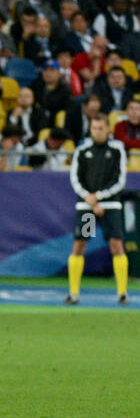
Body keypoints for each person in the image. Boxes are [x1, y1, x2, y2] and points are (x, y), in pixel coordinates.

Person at [66, 112, 129, 305]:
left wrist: (99, 198)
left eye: (101, 128)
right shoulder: (83, 150)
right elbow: (75, 178)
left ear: (108, 129)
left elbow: (119, 180)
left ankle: (122, 293)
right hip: (87, 207)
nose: (97, 132)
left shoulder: (117, 149)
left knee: (116, 245)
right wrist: (90, 199)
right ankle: (74, 293)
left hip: (110, 206)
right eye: (94, 128)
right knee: (80, 244)